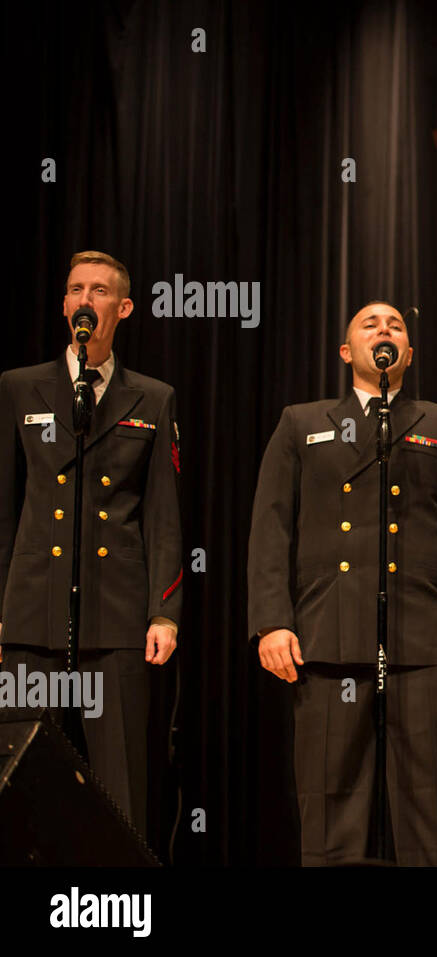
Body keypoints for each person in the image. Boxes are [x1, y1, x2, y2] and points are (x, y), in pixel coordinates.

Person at [247, 301, 437, 865]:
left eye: (396, 326)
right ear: (345, 352)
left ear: (408, 353)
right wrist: (272, 622)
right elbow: (269, 530)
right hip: (327, 638)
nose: (384, 331)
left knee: (430, 816)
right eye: (370, 324)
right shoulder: (300, 423)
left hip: (427, 644)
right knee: (330, 814)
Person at [0, 250, 183, 829]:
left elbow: (163, 516)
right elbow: (3, 507)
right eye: (76, 289)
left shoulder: (152, 397)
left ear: (123, 308)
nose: (86, 300)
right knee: (21, 778)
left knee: (119, 785)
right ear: (63, 306)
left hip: (118, 612)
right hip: (31, 611)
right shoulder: (19, 387)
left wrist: (165, 611)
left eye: (100, 291)